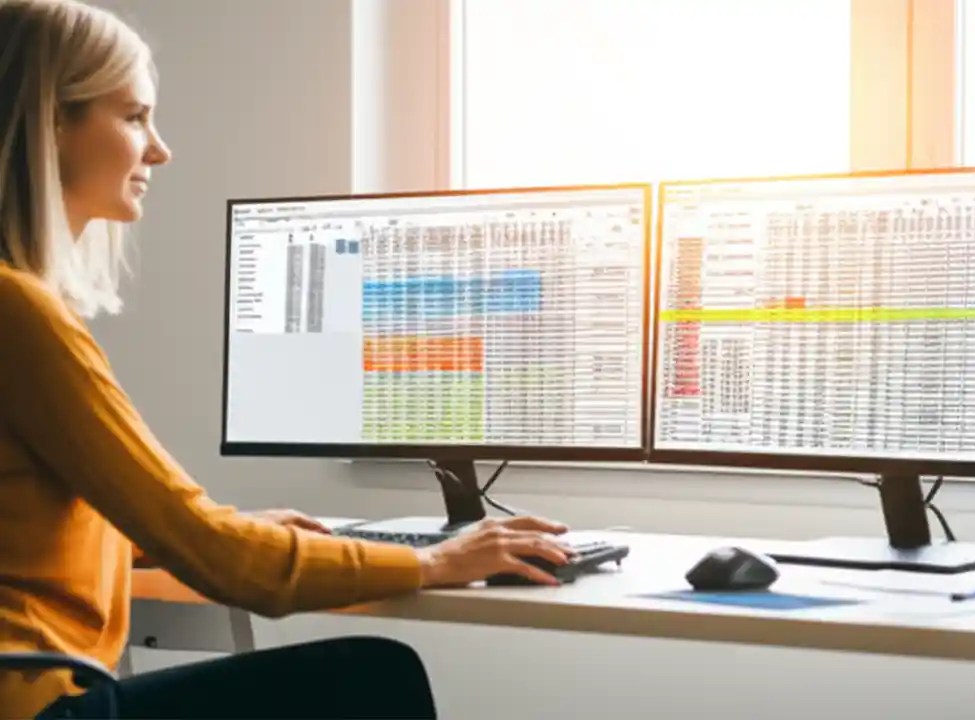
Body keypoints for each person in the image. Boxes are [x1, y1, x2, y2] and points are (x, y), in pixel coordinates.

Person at [0, 1, 575, 717]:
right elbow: (209, 552)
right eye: (134, 116)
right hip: (41, 704)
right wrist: (433, 561)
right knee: (369, 678)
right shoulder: (20, 313)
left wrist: (217, 534)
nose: (159, 149)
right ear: (50, 121)